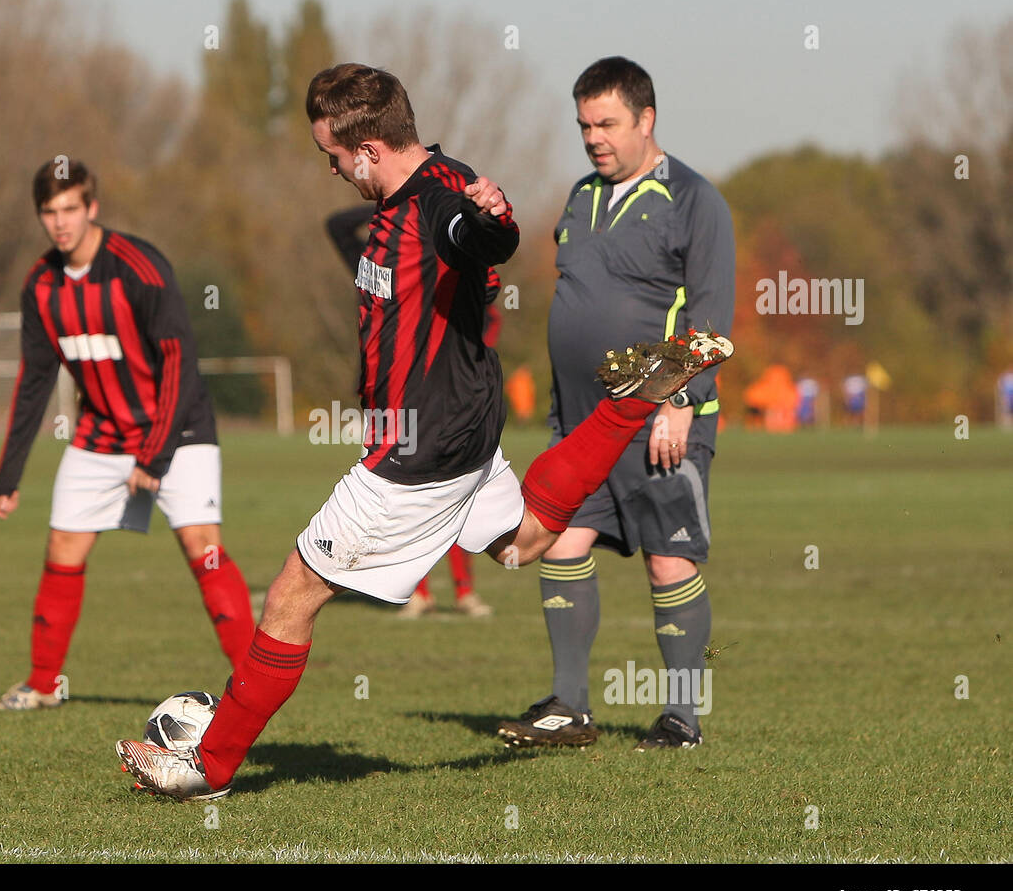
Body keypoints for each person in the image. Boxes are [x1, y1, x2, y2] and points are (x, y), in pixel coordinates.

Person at [115, 63, 733, 799]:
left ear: (370, 149)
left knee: (292, 593)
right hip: (465, 436)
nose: (335, 170)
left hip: (417, 454)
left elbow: (481, 235)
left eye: (336, 157)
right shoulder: (433, 180)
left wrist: (495, 220)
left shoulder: (438, 202)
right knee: (528, 541)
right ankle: (629, 404)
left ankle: (204, 768)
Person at [496, 57, 736, 753]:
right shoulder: (579, 195)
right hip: (579, 424)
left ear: (646, 120)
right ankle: (569, 707)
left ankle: (681, 719)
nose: (594, 137)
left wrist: (683, 402)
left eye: (607, 123)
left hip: (661, 422)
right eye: (584, 125)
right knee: (560, 544)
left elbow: (712, 322)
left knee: (669, 561)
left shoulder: (694, 200)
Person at [0, 159, 255, 710]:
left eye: (69, 209)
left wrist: (155, 458)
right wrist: (8, 473)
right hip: (101, 436)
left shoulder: (139, 266)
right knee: (62, 546)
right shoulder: (41, 285)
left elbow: (180, 360)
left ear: (91, 207)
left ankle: (255, 689)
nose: (60, 222)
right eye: (48, 211)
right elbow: (36, 380)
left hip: (178, 431)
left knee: (203, 550)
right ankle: (43, 685)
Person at [325, 203, 498, 619]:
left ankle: (463, 590)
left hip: (445, 398)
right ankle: (415, 590)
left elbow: (487, 299)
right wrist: (392, 201)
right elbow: (336, 224)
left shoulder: (444, 268)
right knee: (399, 492)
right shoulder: (373, 261)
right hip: (386, 395)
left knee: (454, 490)